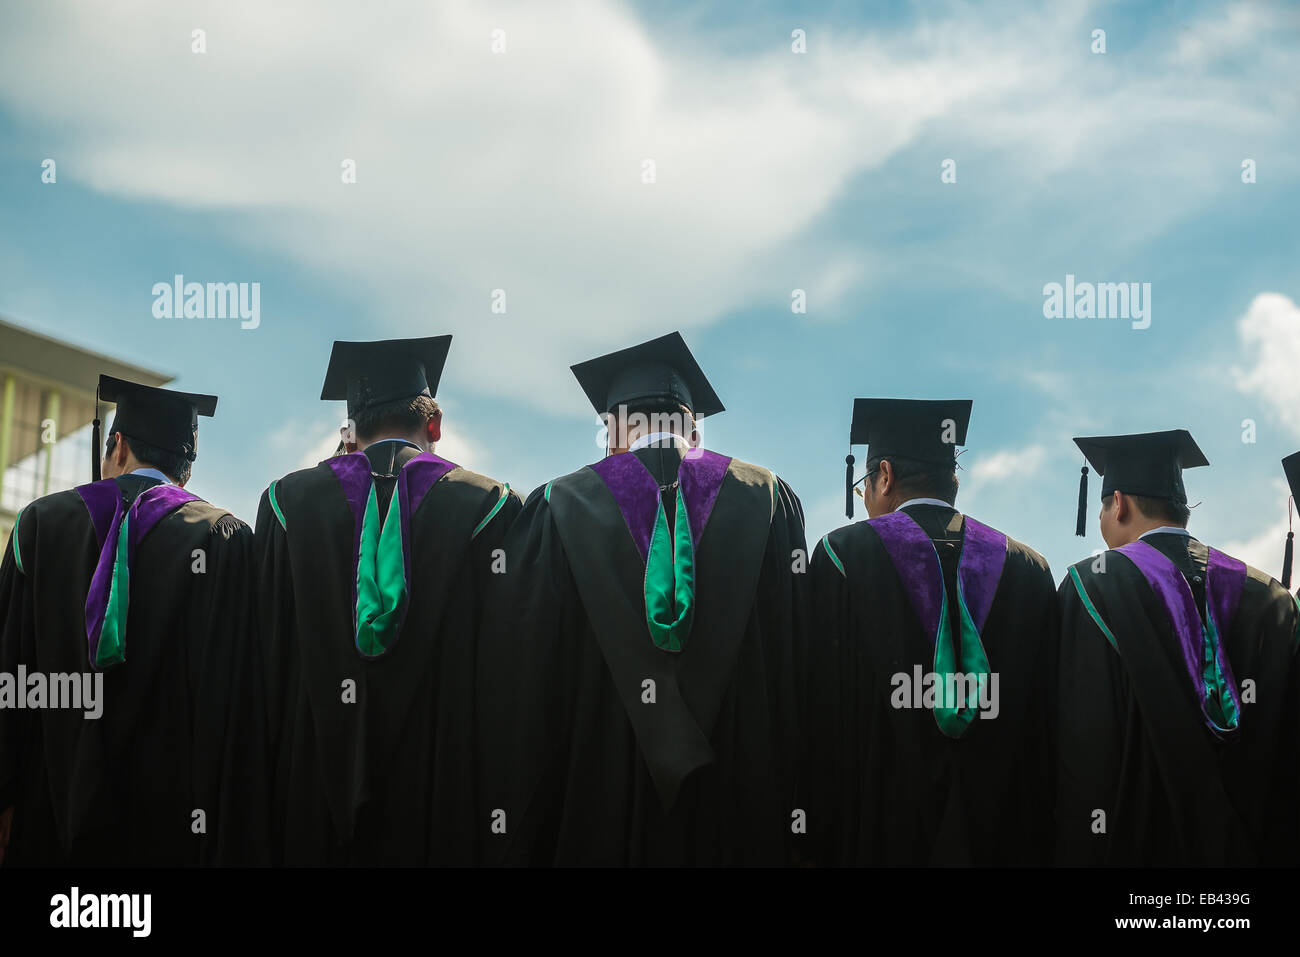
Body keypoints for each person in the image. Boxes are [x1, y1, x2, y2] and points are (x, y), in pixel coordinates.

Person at [479, 331, 807, 865]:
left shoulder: (558, 506)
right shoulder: (767, 499)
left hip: (594, 806)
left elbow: (525, 686)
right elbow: (798, 669)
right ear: (694, 429)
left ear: (612, 431)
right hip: (740, 807)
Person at [255, 335, 519, 866]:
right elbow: (505, 672)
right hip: (443, 783)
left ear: (348, 433)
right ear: (435, 427)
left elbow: (266, 660)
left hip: (311, 783)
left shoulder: (286, 503)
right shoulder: (490, 505)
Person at [0, 375, 267, 866]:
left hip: (49, 815)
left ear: (117, 446)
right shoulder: (223, 541)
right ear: (185, 473)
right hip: (172, 828)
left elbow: (8, 676)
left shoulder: (39, 525)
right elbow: (234, 703)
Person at [807, 398, 1057, 865]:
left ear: (884, 475)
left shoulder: (841, 557)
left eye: (865, 485)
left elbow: (820, 712)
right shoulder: (1030, 569)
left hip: (877, 828)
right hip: (1004, 831)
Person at [1057, 431, 1299, 865]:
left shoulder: (1093, 585)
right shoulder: (1271, 597)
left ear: (1120, 503)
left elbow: (1084, 745)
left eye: (1103, 510)